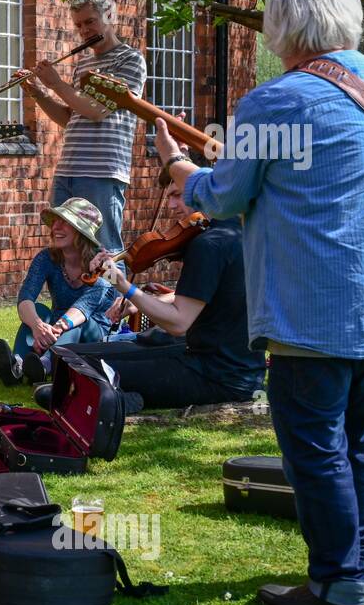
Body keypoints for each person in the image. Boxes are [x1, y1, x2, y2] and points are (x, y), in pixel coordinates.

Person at [162, 0, 364, 605]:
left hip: (313, 308)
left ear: (282, 26)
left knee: (313, 442)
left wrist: (182, 172)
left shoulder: (274, 101)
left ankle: (341, 583)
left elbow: (226, 196)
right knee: (359, 434)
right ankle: (359, 557)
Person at [46, 123, 267, 411]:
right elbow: (204, 300)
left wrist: (125, 287)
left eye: (179, 194)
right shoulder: (238, 228)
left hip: (214, 374)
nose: (173, 205)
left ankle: (124, 400)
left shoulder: (209, 244)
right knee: (68, 357)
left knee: (72, 375)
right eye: (171, 195)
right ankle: (121, 396)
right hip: (232, 366)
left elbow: (178, 322)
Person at [15, 0, 147, 271]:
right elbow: (71, 118)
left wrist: (56, 84)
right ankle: (72, 312)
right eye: (78, 25)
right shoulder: (83, 64)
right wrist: (38, 92)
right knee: (67, 251)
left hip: (102, 171)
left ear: (108, 17)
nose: (84, 30)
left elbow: (97, 112)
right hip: (69, 169)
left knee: (105, 249)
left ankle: (113, 314)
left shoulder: (130, 60)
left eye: (90, 22)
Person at [0, 198, 112, 387]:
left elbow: (83, 309)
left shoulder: (102, 264)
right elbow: (26, 297)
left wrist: (54, 331)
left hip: (92, 334)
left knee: (76, 324)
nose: (55, 227)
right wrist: (38, 326)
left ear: (81, 231)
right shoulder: (47, 258)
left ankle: (44, 365)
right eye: (55, 221)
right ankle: (18, 365)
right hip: (57, 329)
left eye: (64, 222)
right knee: (38, 310)